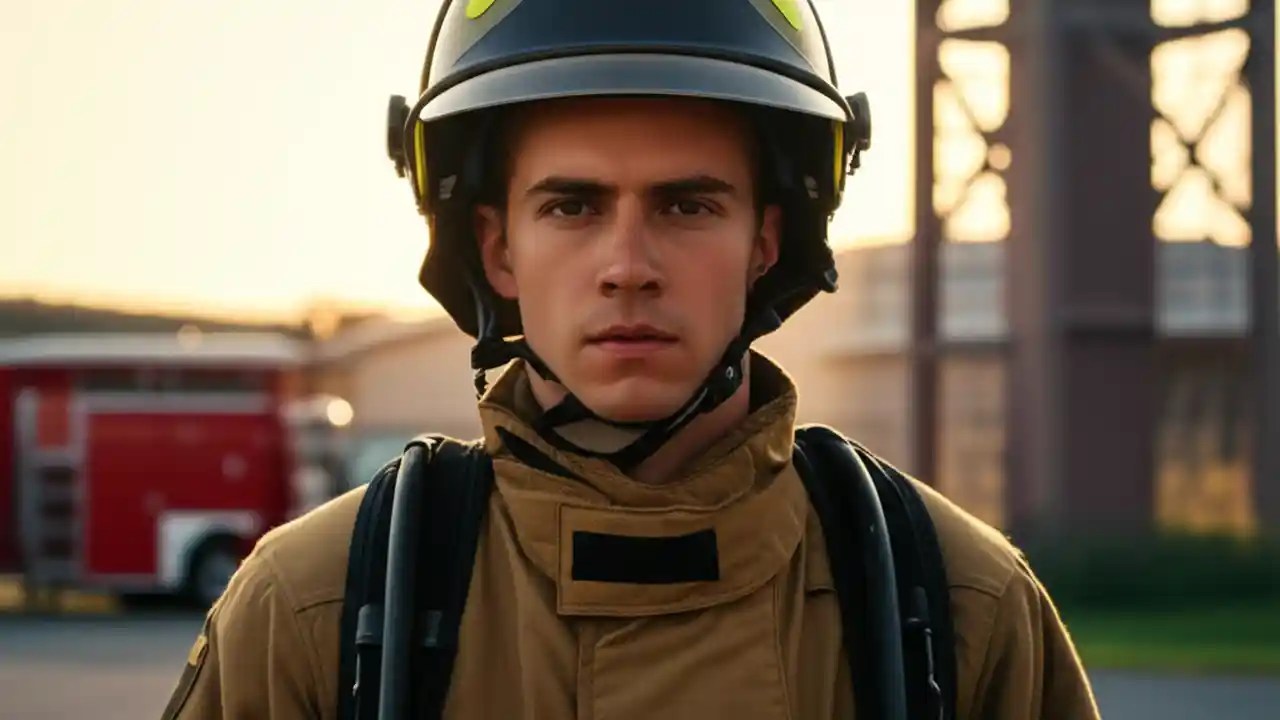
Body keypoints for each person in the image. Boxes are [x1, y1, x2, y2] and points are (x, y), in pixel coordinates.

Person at [162, 0, 1101, 718]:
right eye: (571, 207)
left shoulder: (961, 607)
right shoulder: (311, 610)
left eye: (687, 206)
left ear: (766, 242)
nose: (627, 268)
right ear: (496, 251)